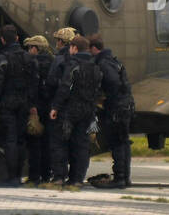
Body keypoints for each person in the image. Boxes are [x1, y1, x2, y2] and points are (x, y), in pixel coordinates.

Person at [0, 24, 38, 187]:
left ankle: (12, 177)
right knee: (21, 140)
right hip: (24, 102)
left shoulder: (3, 59)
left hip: (7, 103)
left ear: (2, 40)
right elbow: (34, 82)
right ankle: (19, 174)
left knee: (10, 140)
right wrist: (32, 103)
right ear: (17, 38)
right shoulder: (29, 58)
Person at [49, 35, 102, 187]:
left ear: (74, 48)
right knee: (82, 145)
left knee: (60, 142)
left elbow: (65, 87)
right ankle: (77, 179)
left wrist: (55, 107)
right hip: (88, 111)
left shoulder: (73, 65)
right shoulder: (95, 67)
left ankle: (59, 177)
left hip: (70, 110)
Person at [89, 34, 134, 189]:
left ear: (94, 48)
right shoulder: (114, 61)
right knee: (123, 142)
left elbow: (114, 83)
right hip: (125, 106)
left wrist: (107, 99)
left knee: (117, 143)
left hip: (117, 108)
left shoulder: (103, 64)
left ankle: (120, 178)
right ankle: (124, 177)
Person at [23, 35, 55, 185]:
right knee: (48, 143)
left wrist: (31, 105)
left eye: (30, 47)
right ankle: (47, 175)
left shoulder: (32, 63)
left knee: (34, 142)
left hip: (36, 108)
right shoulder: (54, 62)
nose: (29, 51)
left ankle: (34, 176)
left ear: (35, 48)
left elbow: (31, 87)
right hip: (50, 108)